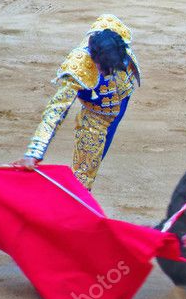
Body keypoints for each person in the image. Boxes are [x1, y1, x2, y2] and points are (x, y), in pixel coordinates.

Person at [12, 14, 140, 190]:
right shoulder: (77, 67)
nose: (109, 73)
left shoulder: (113, 31)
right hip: (97, 119)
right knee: (82, 179)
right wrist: (33, 153)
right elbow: (55, 111)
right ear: (94, 60)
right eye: (105, 68)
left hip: (122, 101)